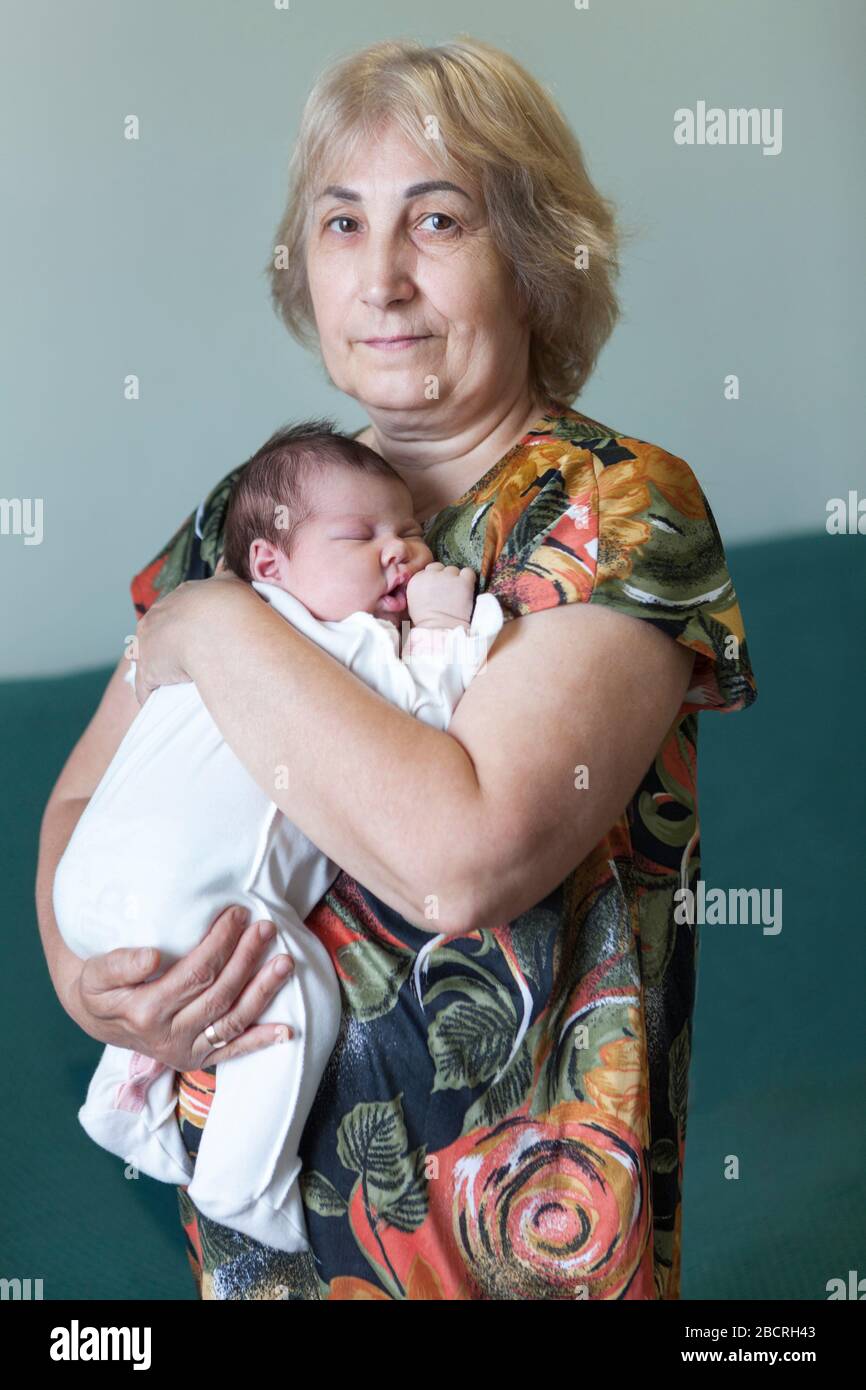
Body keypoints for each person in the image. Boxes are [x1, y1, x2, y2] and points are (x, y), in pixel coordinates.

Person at [36, 37, 758, 1300]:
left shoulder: (614, 507)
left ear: (530, 258)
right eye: (340, 222)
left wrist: (209, 627)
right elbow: (79, 802)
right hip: (263, 1245)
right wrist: (92, 986)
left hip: (514, 1248)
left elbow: (459, 857)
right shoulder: (248, 514)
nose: (378, 277)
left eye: (436, 220)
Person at [50, 421, 504, 1256]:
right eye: (360, 537)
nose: (399, 553)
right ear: (270, 565)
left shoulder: (204, 615)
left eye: (408, 531)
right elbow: (429, 720)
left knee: (170, 964)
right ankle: (243, 1182)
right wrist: (442, 629)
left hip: (89, 897)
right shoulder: (351, 642)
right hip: (200, 903)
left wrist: (83, 986)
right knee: (288, 983)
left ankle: (123, 1091)